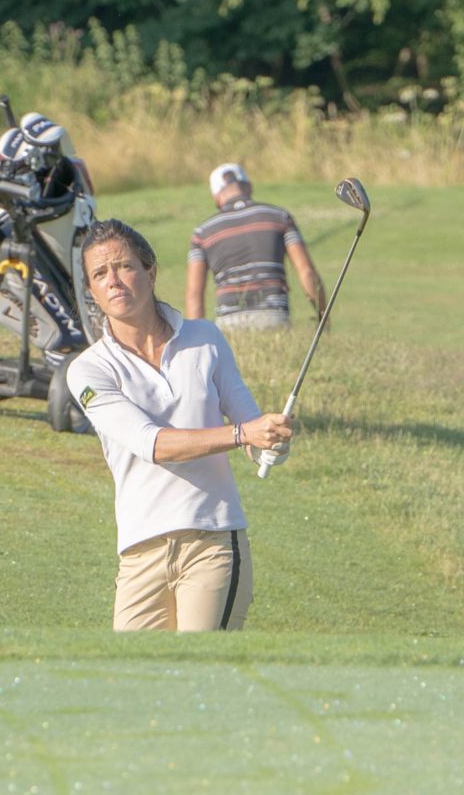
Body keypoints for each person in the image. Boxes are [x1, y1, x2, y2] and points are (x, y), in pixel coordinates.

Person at [67, 218, 293, 632]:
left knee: (200, 674)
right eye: (100, 274)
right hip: (139, 552)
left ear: (150, 273)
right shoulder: (87, 371)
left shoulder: (206, 338)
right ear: (92, 292)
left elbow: (248, 419)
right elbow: (149, 443)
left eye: (124, 266)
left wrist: (269, 441)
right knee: (136, 685)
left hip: (213, 541)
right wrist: (242, 434)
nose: (114, 280)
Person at [185, 163, 327, 329]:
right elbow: (307, 272)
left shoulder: (202, 233)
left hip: (229, 322)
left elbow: (194, 294)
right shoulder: (280, 217)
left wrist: (196, 339)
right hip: (274, 316)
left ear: (216, 197)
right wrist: (323, 315)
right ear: (249, 187)